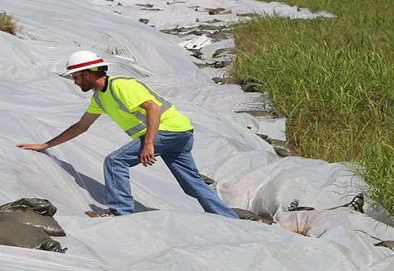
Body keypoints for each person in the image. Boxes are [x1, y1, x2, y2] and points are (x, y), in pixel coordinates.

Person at [18, 50, 238, 219]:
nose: (75, 82)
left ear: (87, 74)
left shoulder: (121, 85)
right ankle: (230, 219)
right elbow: (81, 126)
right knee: (193, 184)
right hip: (180, 132)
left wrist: (148, 144)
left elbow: (152, 108)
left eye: (76, 77)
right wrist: (45, 145)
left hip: (168, 131)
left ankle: (120, 213)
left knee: (115, 162)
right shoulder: (99, 97)